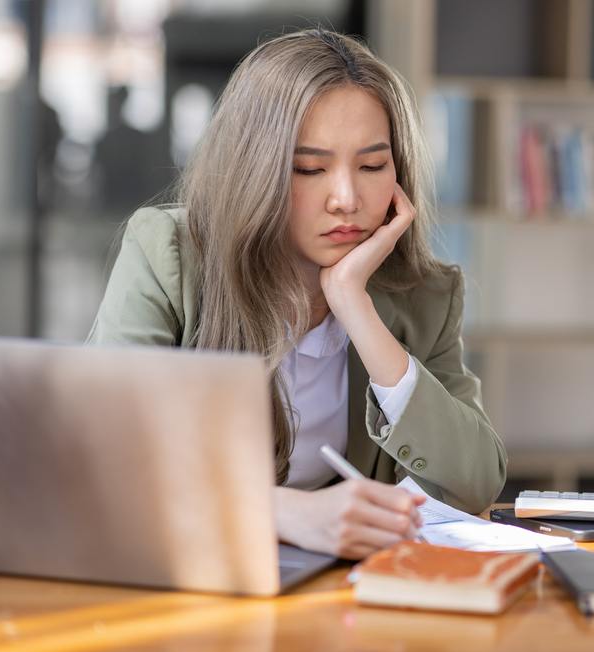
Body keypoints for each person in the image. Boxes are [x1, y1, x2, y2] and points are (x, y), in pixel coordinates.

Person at [87, 29, 507, 560]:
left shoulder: (426, 293)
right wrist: (283, 512)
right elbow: (103, 456)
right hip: (188, 577)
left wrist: (356, 308)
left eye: (373, 166)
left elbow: (474, 481)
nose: (347, 199)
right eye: (309, 169)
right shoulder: (169, 254)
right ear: (254, 169)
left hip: (335, 599)